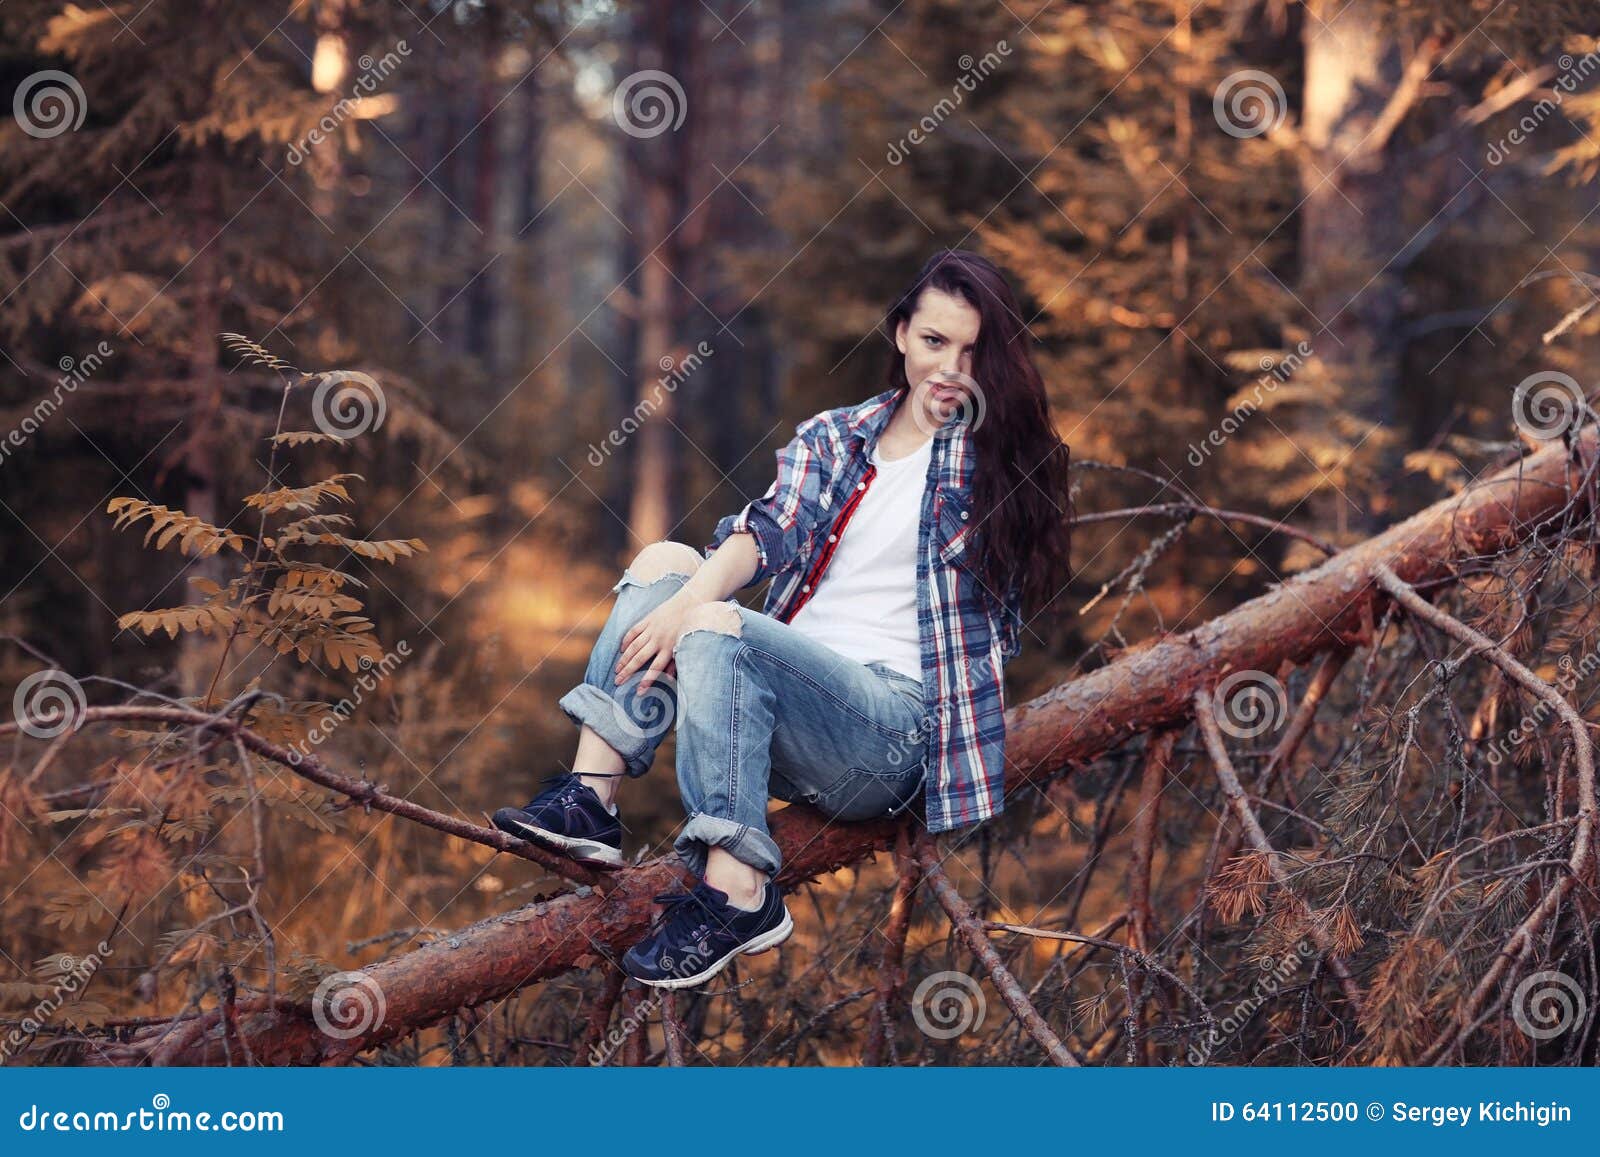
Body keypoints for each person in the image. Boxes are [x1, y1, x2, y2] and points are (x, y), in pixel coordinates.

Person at [493, 249, 1074, 990]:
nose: (951, 368)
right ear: (901, 333)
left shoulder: (991, 459)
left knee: (716, 623)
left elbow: (1012, 549)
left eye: (973, 351)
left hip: (890, 734)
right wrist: (684, 601)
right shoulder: (836, 437)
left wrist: (699, 615)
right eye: (935, 341)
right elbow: (769, 529)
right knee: (667, 563)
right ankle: (590, 800)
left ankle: (738, 890)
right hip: (784, 722)